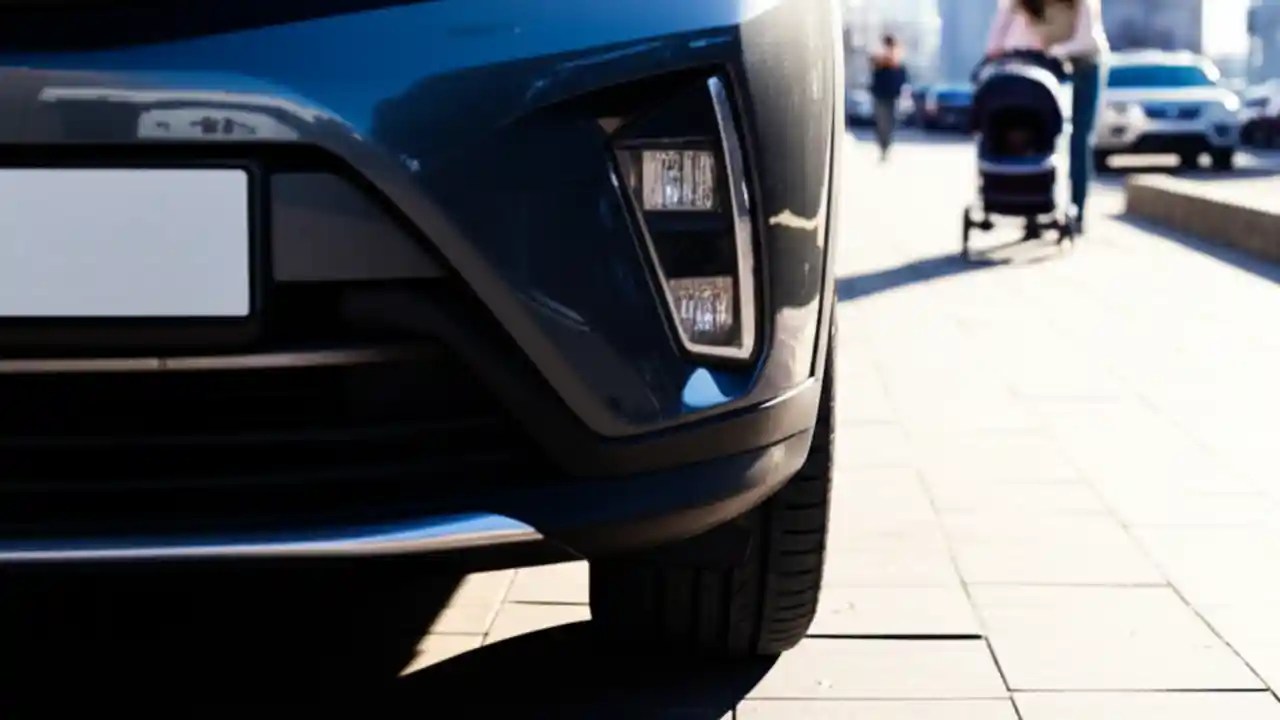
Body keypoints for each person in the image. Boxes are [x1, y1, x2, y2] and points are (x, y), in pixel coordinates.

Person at [985, 0, 1110, 235]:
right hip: (1045, 60)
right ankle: (1032, 209)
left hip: (1084, 62)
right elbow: (998, 36)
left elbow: (1086, 39)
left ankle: (1077, 209)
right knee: (1032, 127)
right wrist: (997, 51)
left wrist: (1050, 51)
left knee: (1079, 137)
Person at [870, 34, 909, 161]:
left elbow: (902, 76)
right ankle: (883, 146)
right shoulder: (879, 59)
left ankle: (886, 147)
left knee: (889, 123)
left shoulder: (897, 60)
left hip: (892, 96)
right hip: (881, 95)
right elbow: (874, 63)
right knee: (882, 123)